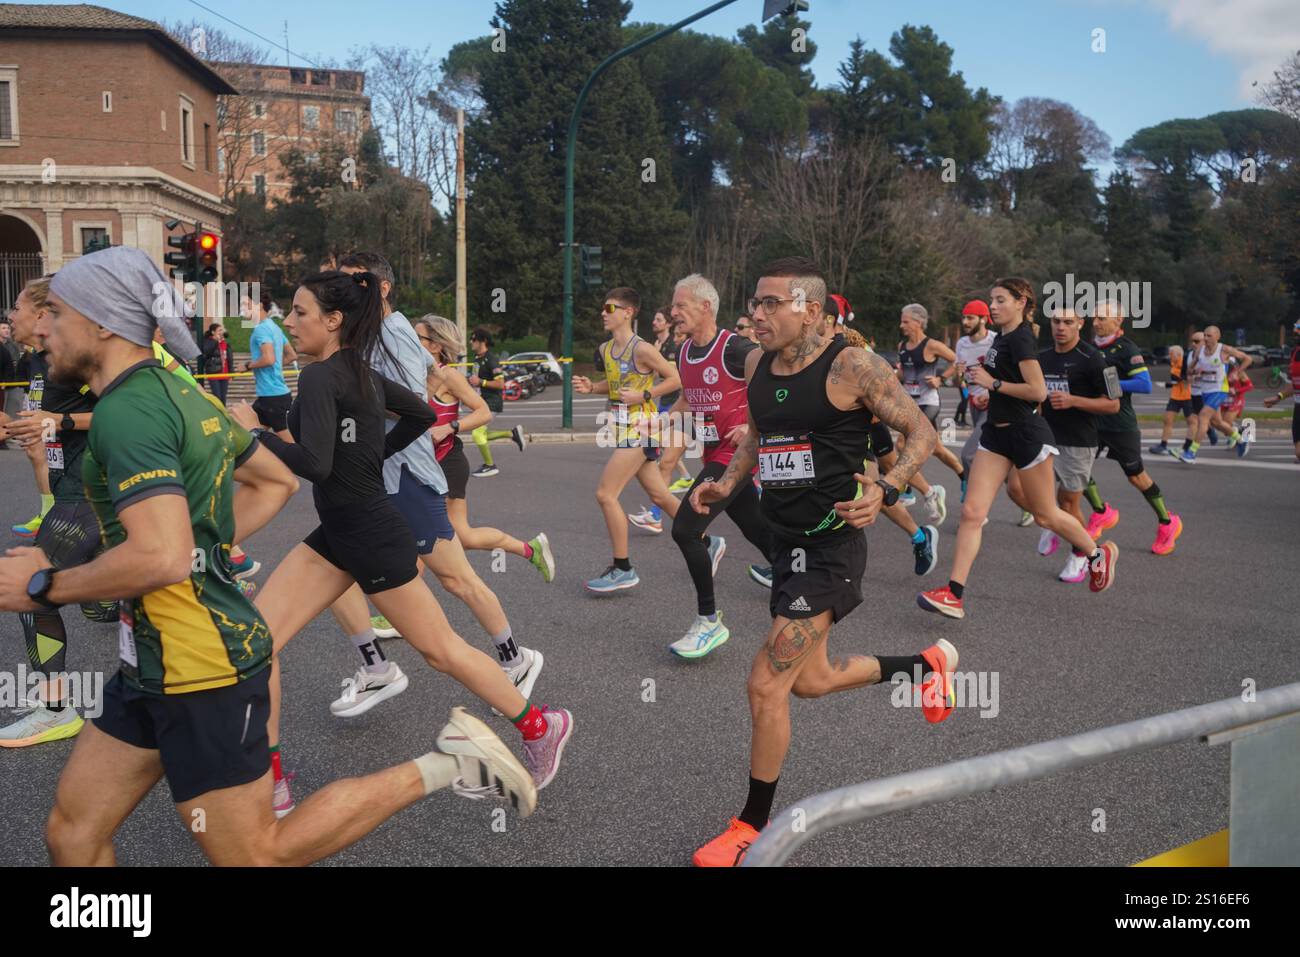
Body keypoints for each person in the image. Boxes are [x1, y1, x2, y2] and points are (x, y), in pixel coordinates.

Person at [0, 248, 538, 867]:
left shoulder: (129, 412)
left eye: (56, 313)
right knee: (72, 834)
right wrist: (215, 538)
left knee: (257, 854)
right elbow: (273, 484)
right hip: (149, 659)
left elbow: (165, 554)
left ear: (101, 321)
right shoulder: (180, 393)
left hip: (202, 669)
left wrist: (44, 584)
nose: (41, 327)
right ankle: (411, 690)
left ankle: (447, 762)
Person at [228, 267, 561, 826]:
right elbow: (422, 415)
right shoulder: (354, 369)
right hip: (341, 532)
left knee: (442, 651)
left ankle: (540, 726)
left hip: (372, 536)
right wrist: (373, 455)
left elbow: (313, 464)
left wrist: (251, 435)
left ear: (333, 320)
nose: (289, 321)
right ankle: (273, 781)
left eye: (300, 312)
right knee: (257, 645)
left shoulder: (319, 378)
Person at [689, 258, 957, 867]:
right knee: (811, 682)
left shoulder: (851, 365)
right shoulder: (757, 362)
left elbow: (921, 432)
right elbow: (759, 434)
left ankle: (751, 827)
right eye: (754, 302)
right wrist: (725, 484)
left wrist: (886, 489)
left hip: (831, 545)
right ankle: (925, 666)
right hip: (785, 542)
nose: (756, 314)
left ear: (809, 308)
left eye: (770, 303)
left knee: (765, 683)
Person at [918, 279, 1118, 620]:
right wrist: (987, 390)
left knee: (1046, 515)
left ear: (1021, 302)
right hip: (996, 435)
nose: (992, 306)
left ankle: (1097, 553)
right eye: (991, 300)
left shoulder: (1022, 337)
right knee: (971, 513)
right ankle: (953, 593)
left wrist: (993, 383)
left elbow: (1038, 391)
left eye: (1000, 300)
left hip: (1027, 435)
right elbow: (1008, 386)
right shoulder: (1003, 339)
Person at [0, 276, 117, 747]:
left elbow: (124, 411)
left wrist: (60, 420)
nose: (10, 315)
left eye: (17, 307)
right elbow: (43, 425)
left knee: (32, 590)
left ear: (44, 313)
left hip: (91, 491)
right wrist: (17, 428)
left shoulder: (75, 360)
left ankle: (55, 708)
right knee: (101, 604)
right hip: (68, 488)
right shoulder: (34, 361)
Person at [659, 274, 771, 658]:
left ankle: (709, 621)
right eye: (673, 307)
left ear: (706, 306)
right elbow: (690, 401)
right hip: (712, 455)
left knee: (686, 530)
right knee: (758, 531)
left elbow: (774, 385)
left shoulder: (736, 348)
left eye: (680, 306)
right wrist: (662, 421)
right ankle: (806, 584)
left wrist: (751, 422)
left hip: (735, 457)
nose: (673, 313)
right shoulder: (684, 352)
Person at [416, 315, 555, 580]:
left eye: (416, 337)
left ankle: (397, 613)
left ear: (434, 345)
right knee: (464, 537)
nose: (409, 341)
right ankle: (530, 549)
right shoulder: (414, 374)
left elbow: (484, 412)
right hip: (424, 464)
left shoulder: (450, 377)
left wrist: (449, 427)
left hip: (446, 462)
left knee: (416, 531)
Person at [573, 287, 683, 593]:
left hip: (642, 428)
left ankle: (623, 568)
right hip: (622, 428)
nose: (603, 314)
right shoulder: (606, 350)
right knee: (661, 497)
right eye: (602, 308)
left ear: (628, 312)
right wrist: (590, 387)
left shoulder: (642, 349)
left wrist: (644, 394)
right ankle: (706, 539)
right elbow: (611, 388)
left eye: (609, 309)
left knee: (606, 494)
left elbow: (676, 379)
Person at [1080, 299, 1183, 556]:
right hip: (1091, 419)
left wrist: (1110, 384)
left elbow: (1144, 384)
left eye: (1102, 318)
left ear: (1118, 321)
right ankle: (1102, 512)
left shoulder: (1127, 349)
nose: (1096, 322)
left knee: (1136, 476)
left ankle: (1167, 522)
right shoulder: (1086, 348)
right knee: (1075, 469)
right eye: (1094, 318)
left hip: (1119, 423)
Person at [1033, 308, 1121, 582]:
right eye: (1057, 321)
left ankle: (1081, 556)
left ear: (1080, 325)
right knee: (1020, 488)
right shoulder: (1042, 357)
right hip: (1045, 437)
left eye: (1068, 322)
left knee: (1069, 503)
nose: (1061, 327)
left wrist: (1074, 401)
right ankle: (1053, 522)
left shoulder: (1095, 359)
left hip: (1078, 442)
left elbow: (1114, 403)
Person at [894, 303, 964, 524]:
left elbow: (958, 361)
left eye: (905, 321)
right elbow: (904, 375)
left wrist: (941, 379)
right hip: (910, 404)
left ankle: (911, 490)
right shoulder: (902, 346)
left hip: (928, 403)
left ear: (918, 322)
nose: (901, 325)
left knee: (901, 445)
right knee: (937, 449)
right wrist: (896, 373)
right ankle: (964, 476)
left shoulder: (932, 345)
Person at [1181, 325, 1252, 462]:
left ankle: (1191, 452)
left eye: (1209, 336)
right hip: (1205, 391)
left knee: (1203, 417)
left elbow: (1247, 359)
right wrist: (1195, 372)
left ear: (1217, 337)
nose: (1206, 338)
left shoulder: (1224, 349)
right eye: (1205, 336)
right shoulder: (1200, 351)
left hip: (1219, 390)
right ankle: (1240, 440)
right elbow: (1190, 370)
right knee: (1217, 422)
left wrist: (1236, 372)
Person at [949, 300, 994, 498]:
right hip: (974, 405)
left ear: (983, 319)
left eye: (970, 318)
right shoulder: (961, 343)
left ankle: (970, 497)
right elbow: (961, 380)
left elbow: (1006, 375)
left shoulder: (995, 340)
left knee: (968, 455)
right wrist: (958, 376)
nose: (965, 322)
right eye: (964, 317)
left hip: (994, 406)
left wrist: (991, 395)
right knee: (994, 456)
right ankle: (1024, 500)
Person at [467, 330, 526, 477]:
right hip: (482, 402)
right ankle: (511, 434)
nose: (470, 342)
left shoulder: (491, 359)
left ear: (483, 341)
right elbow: (474, 381)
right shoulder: (476, 359)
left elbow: (500, 384)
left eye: (473, 339)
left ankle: (490, 465)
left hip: (492, 402)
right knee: (482, 433)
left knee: (477, 433)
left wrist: (481, 382)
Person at [243, 293, 297, 439]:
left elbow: (269, 359)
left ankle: (304, 461)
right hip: (270, 396)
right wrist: (276, 366)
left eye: (246, 305)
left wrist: (248, 365)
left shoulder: (261, 329)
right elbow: (292, 355)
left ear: (259, 305)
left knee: (290, 443)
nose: (242, 310)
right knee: (250, 439)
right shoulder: (274, 328)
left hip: (272, 396)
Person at [1262, 319, 1300, 462]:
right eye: (1295, 327)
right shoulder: (1295, 352)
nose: (1295, 331)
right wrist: (1278, 397)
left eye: (1299, 328)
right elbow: (1294, 384)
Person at [1150, 344, 1194, 459]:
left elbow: (1184, 379)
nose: (1169, 356)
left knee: (1192, 422)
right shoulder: (1173, 364)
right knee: (1167, 419)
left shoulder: (1186, 363)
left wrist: (1167, 384)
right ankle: (1163, 444)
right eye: (1169, 354)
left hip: (1188, 396)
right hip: (1175, 396)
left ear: (1179, 354)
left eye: (1171, 354)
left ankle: (1189, 446)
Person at [202, 322, 231, 405]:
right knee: (217, 397)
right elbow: (207, 352)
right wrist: (215, 341)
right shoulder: (209, 341)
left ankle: (224, 415)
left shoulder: (225, 343)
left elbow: (229, 359)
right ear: (213, 332)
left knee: (223, 398)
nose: (222, 332)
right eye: (219, 330)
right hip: (214, 373)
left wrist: (231, 372)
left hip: (224, 374)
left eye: (222, 330)